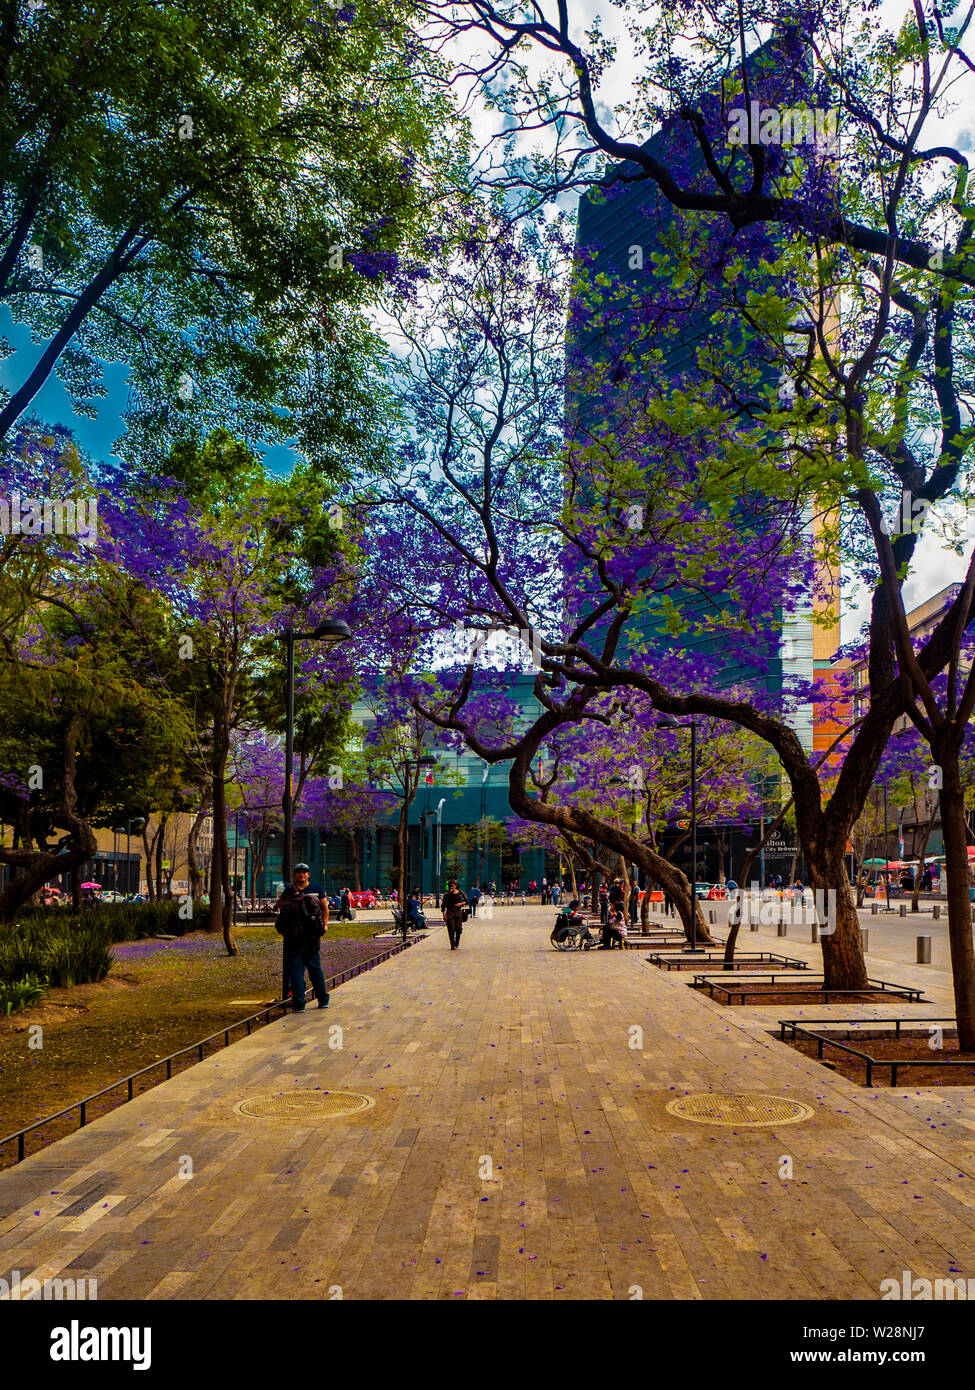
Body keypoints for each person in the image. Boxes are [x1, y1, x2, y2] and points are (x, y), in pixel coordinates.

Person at [275, 863, 329, 1011]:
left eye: (304, 872)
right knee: (312, 971)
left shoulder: (316, 889)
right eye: (298, 872)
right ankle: (322, 1000)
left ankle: (300, 1004)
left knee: (299, 972)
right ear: (295, 875)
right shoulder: (299, 890)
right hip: (309, 938)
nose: (301, 875)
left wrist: (325, 924)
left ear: (308, 874)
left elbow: (325, 909)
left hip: (297, 938)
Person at [441, 879, 468, 949]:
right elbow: (443, 905)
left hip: (458, 912)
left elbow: (467, 901)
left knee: (459, 929)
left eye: (454, 885)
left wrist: (460, 904)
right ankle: (452, 945)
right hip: (450, 912)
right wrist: (444, 915)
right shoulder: (447, 894)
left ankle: (457, 942)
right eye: (451, 885)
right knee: (451, 929)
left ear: (456, 885)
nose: (452, 886)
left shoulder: (460, 892)